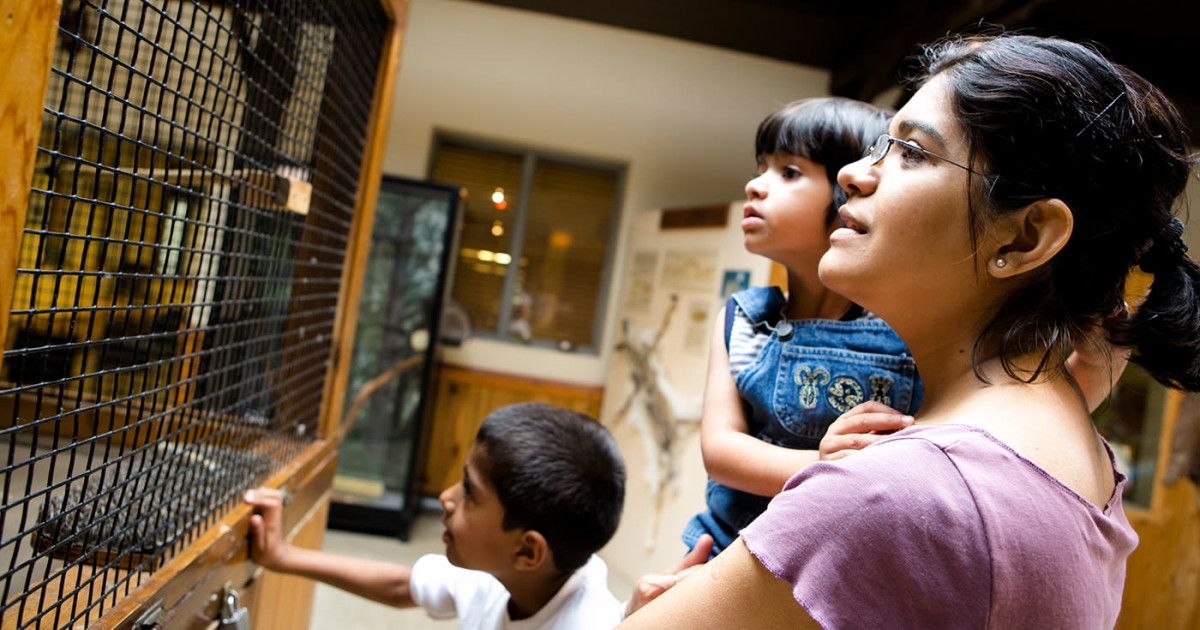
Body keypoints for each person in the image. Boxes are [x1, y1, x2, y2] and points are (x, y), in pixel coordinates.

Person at [623, 31, 1200, 628]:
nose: (852, 174)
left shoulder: (893, 494)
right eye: (882, 146)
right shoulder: (1080, 453)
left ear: (1024, 236)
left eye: (913, 153)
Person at [686, 96, 1126, 557]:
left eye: (789, 172)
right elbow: (719, 449)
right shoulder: (745, 318)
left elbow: (1005, 414)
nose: (755, 186)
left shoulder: (910, 325)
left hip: (848, 556)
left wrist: (1098, 362)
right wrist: (821, 463)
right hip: (728, 545)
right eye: (761, 168)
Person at [247, 402, 632, 629]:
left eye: (469, 492)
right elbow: (404, 586)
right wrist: (282, 556)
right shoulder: (503, 577)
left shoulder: (590, 622)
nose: (446, 498)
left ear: (528, 551)